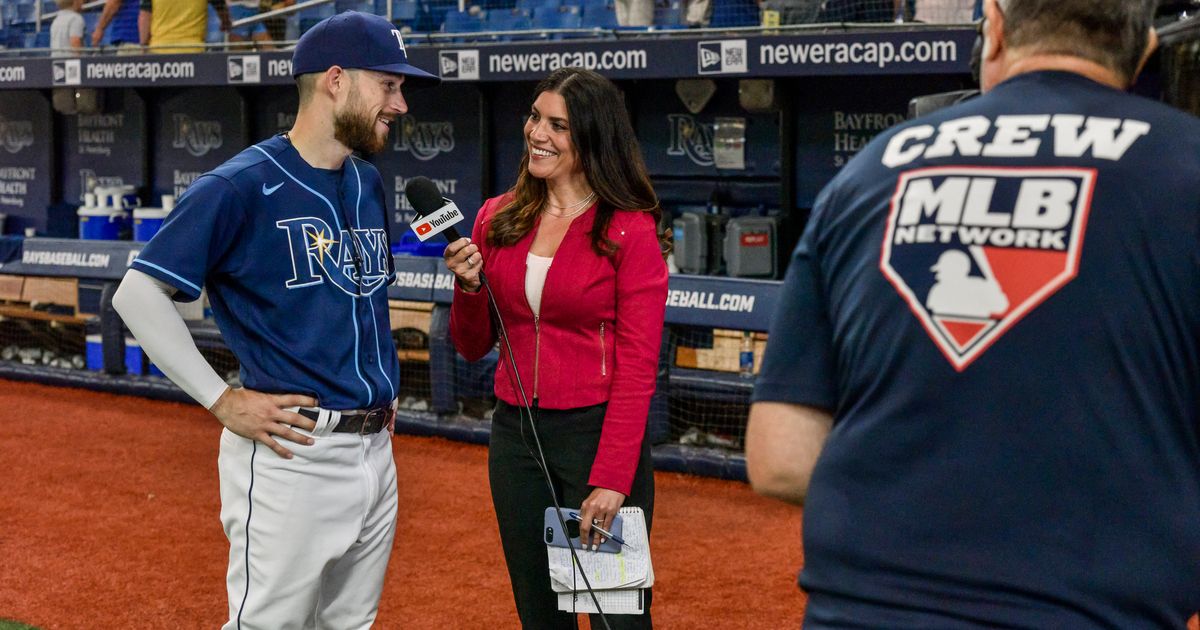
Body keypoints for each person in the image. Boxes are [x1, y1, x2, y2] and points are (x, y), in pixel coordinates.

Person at [747, 0, 1200, 626]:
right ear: (1145, 49)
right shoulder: (1187, 163)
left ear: (994, 26)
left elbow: (780, 458)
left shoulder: (868, 170)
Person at [112, 11, 439, 629]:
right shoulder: (239, 184)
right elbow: (137, 294)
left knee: (350, 624)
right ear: (336, 81)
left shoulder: (365, 181)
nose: (400, 102)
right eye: (388, 85)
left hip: (374, 447)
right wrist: (220, 400)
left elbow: (356, 302)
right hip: (296, 451)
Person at [444, 67, 668, 628]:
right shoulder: (497, 216)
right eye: (535, 118)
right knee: (540, 613)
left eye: (558, 125)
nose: (537, 133)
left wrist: (613, 478)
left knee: (616, 615)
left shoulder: (629, 229)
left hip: (596, 439)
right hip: (516, 441)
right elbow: (471, 346)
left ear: (591, 136)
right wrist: (469, 287)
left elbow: (639, 366)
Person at [138, 0, 232, 54]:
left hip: (159, 49)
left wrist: (143, 45)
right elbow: (221, 7)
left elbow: (145, 16)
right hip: (193, 49)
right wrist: (226, 22)